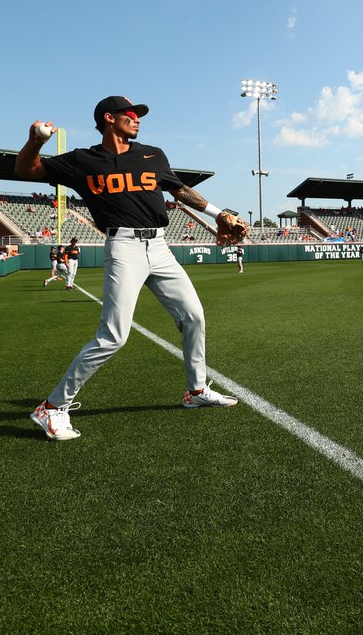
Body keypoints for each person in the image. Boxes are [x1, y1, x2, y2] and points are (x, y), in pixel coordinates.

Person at [16, 95, 248, 441]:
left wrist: (221, 214)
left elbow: (180, 190)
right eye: (130, 114)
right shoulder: (83, 160)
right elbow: (26, 170)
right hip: (123, 246)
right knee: (114, 336)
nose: (137, 119)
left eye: (138, 115)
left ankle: (196, 390)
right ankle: (51, 408)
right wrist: (36, 141)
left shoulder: (152, 154)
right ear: (109, 118)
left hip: (160, 246)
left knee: (195, 317)